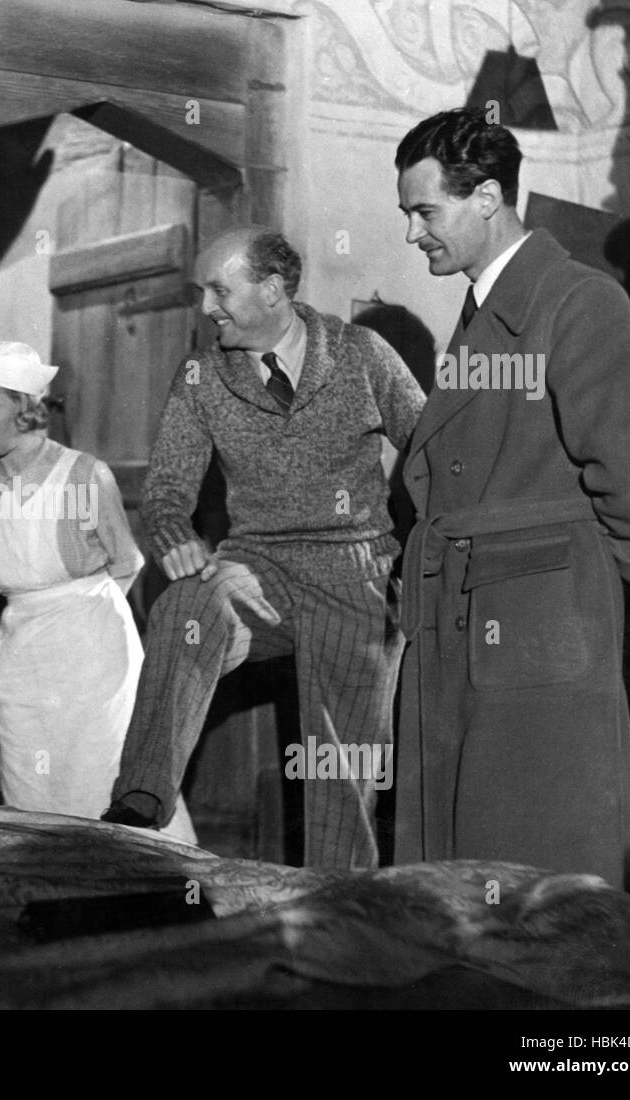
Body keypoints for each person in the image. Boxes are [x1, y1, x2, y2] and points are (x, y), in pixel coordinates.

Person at [393, 107, 630, 897]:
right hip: (477, 606)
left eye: (426, 212)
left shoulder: (575, 299)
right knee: (477, 875)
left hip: (535, 612)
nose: (414, 234)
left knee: (543, 864)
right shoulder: (489, 303)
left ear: (486, 197)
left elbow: (627, 465)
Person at [101, 227, 425, 871]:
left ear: (273, 289)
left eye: (220, 289)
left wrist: (424, 555)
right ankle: (139, 803)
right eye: (202, 291)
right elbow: (165, 491)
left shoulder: (361, 353)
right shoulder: (201, 375)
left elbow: (434, 449)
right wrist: (176, 538)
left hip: (355, 569)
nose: (206, 307)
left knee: (340, 763)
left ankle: (338, 904)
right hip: (258, 567)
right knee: (187, 608)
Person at [0, 341, 194, 838]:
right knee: (34, 794)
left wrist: (85, 620)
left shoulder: (80, 477)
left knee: (105, 781)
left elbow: (127, 562)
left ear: (24, 407)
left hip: (94, 658)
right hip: (23, 661)